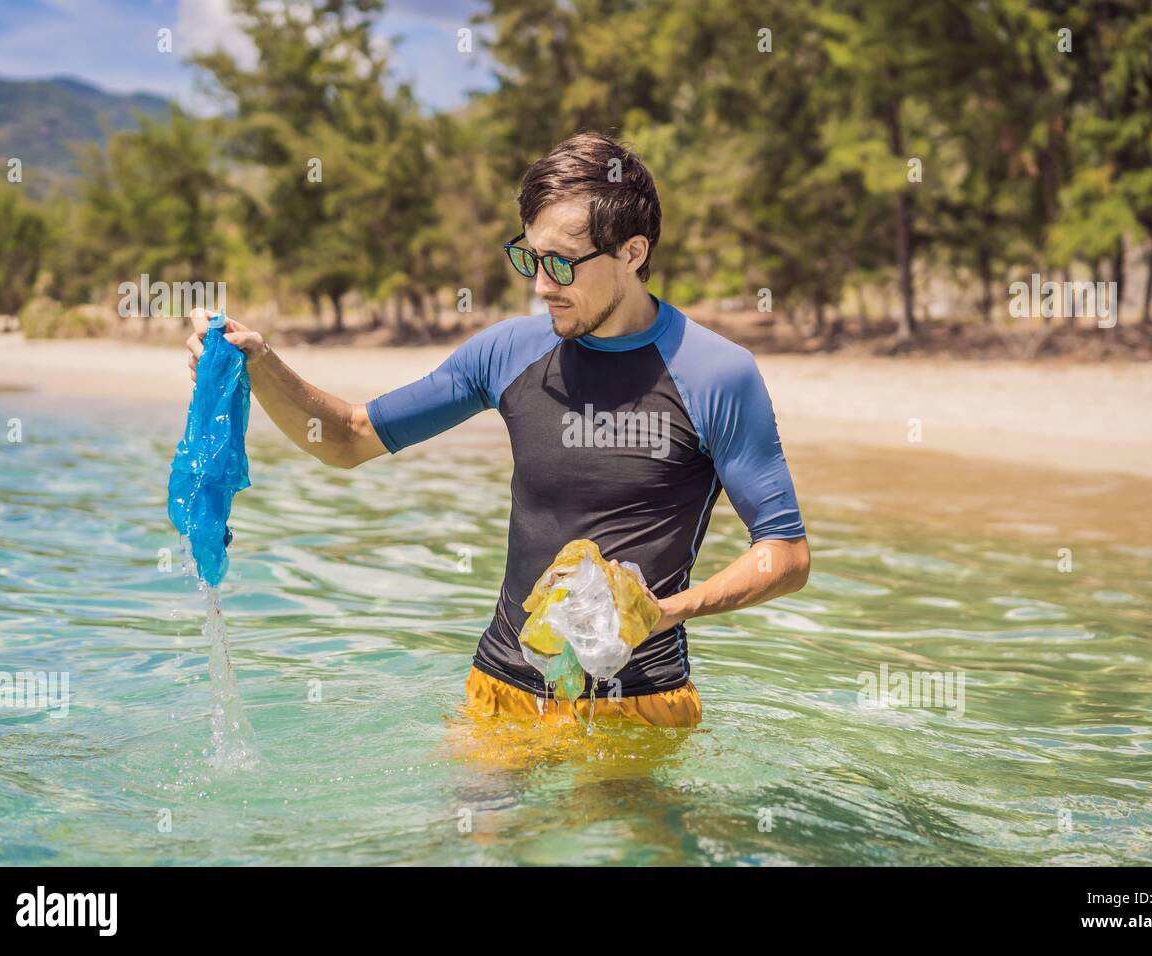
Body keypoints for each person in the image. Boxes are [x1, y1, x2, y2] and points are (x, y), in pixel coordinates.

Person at [186, 131, 809, 729]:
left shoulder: (716, 374)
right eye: (530, 258)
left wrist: (659, 612)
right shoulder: (507, 352)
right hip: (500, 693)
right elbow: (346, 439)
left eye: (562, 264)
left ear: (632, 252)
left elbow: (785, 555)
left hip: (640, 705)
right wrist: (258, 364)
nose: (541, 286)